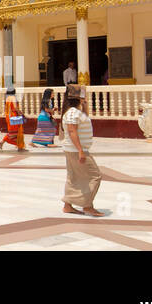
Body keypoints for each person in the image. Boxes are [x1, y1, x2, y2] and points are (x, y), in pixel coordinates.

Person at [61, 85, 102, 216]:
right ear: (78, 97)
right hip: (75, 149)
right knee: (95, 175)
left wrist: (84, 105)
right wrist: (80, 151)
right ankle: (87, 205)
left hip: (72, 149)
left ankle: (68, 205)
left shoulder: (75, 111)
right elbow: (72, 131)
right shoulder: (72, 112)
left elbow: (84, 118)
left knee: (73, 177)